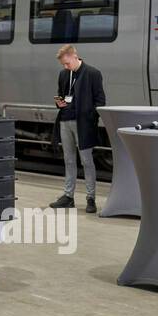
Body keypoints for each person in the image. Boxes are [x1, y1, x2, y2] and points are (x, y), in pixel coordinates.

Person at [50, 43, 106, 213]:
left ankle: (91, 198)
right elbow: (62, 95)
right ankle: (68, 196)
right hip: (65, 121)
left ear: (75, 56)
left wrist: (89, 118)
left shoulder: (93, 74)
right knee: (69, 160)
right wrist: (59, 103)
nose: (66, 67)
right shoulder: (63, 74)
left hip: (83, 124)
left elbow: (100, 101)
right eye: (63, 65)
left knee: (87, 161)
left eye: (67, 63)